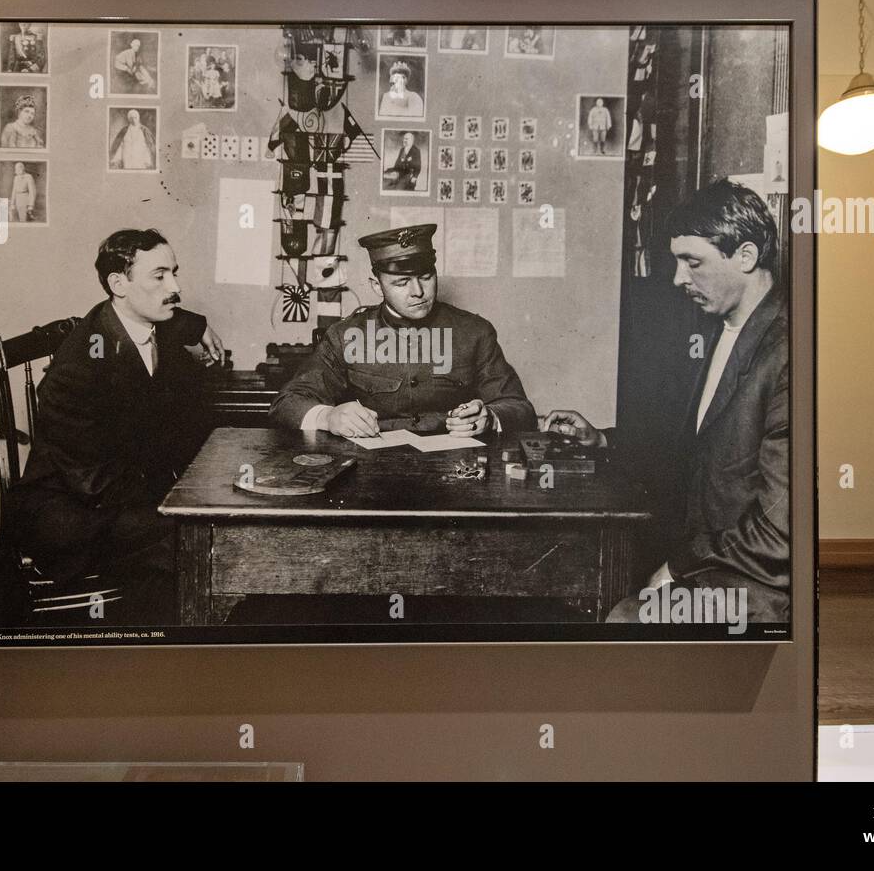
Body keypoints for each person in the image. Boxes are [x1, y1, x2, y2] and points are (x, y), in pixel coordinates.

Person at [544, 180, 790, 624]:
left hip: (756, 582)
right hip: (711, 560)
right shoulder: (718, 328)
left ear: (747, 257)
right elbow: (695, 449)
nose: (678, 279)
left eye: (693, 263)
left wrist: (680, 566)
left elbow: (779, 531)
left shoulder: (787, 354)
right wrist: (603, 440)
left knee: (622, 617)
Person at [3, 229, 225, 623]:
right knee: (193, 535)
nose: (175, 286)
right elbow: (95, 482)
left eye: (174, 272)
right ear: (118, 284)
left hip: (116, 492)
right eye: (160, 276)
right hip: (70, 509)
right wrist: (180, 496)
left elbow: (170, 316)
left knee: (204, 527)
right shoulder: (77, 368)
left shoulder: (134, 320)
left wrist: (195, 324)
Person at [270, 224, 536, 437]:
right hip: (371, 470)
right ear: (377, 285)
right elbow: (287, 403)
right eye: (401, 282)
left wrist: (489, 418)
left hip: (454, 467)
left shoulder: (475, 332)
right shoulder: (345, 335)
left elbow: (520, 408)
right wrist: (328, 417)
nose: (418, 292)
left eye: (426, 277)